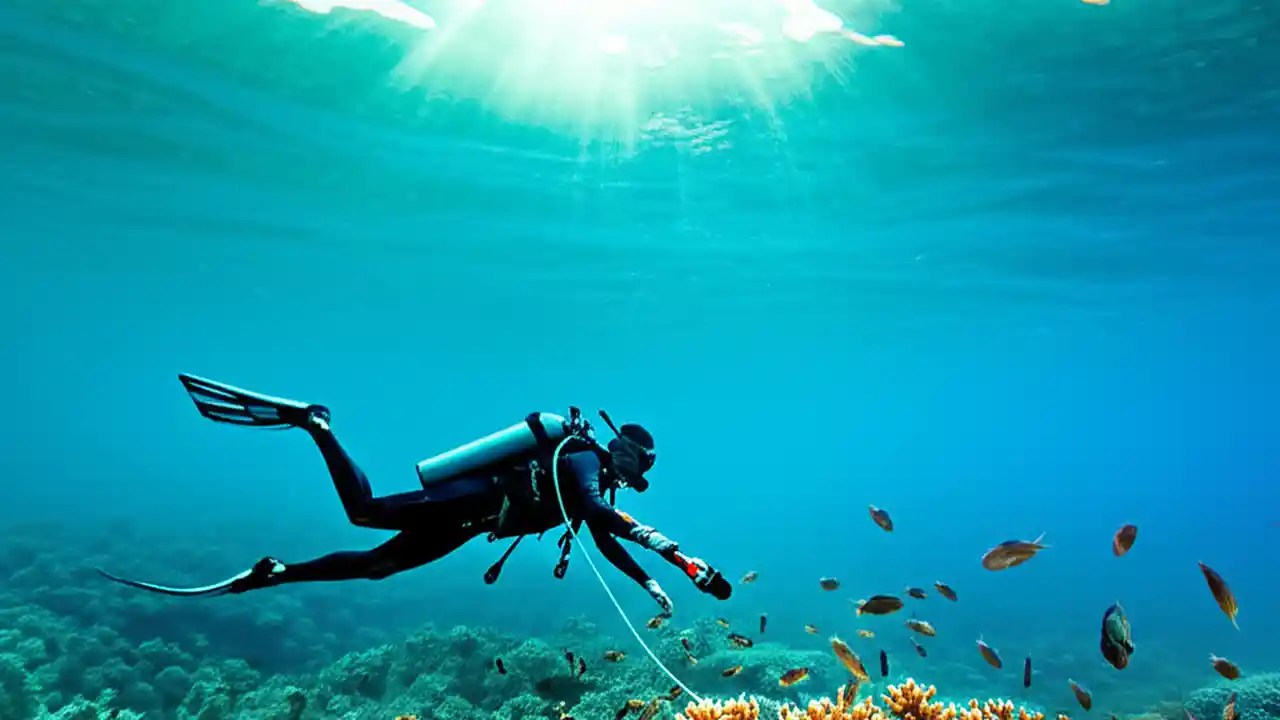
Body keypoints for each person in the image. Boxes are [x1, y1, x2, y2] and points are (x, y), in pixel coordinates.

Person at [98, 374, 731, 615]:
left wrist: (648, 583)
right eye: (629, 458)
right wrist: (677, 556)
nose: (624, 467)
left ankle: (276, 573)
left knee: (377, 569)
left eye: (631, 464)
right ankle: (318, 424)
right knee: (363, 512)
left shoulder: (593, 475)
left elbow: (600, 535)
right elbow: (596, 513)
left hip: (470, 523)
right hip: (468, 499)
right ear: (619, 450)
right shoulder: (584, 458)